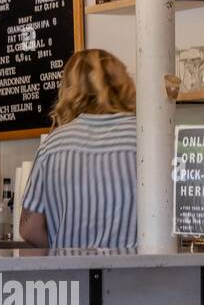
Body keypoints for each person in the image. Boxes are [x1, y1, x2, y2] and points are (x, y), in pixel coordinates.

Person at [19, 48, 137, 252]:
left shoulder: (53, 144)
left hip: (72, 277)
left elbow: (30, 228)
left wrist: (65, 249)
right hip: (139, 278)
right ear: (124, 84)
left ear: (68, 90)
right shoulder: (146, 138)